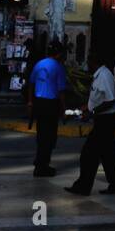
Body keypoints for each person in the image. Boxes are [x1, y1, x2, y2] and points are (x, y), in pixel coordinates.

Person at [65, 50, 115, 196]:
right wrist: (80, 111)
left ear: (94, 61)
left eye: (88, 61)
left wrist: (92, 112)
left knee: (88, 154)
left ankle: (83, 186)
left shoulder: (104, 76)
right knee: (108, 155)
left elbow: (109, 101)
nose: (87, 65)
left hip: (107, 120)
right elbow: (97, 99)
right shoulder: (99, 76)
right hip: (104, 119)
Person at [28, 41, 67, 177]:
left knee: (41, 134)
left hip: (39, 104)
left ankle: (40, 162)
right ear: (60, 53)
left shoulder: (39, 64)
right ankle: (42, 165)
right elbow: (61, 91)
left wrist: (30, 101)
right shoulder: (59, 67)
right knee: (49, 136)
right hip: (51, 104)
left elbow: (31, 83)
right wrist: (63, 109)